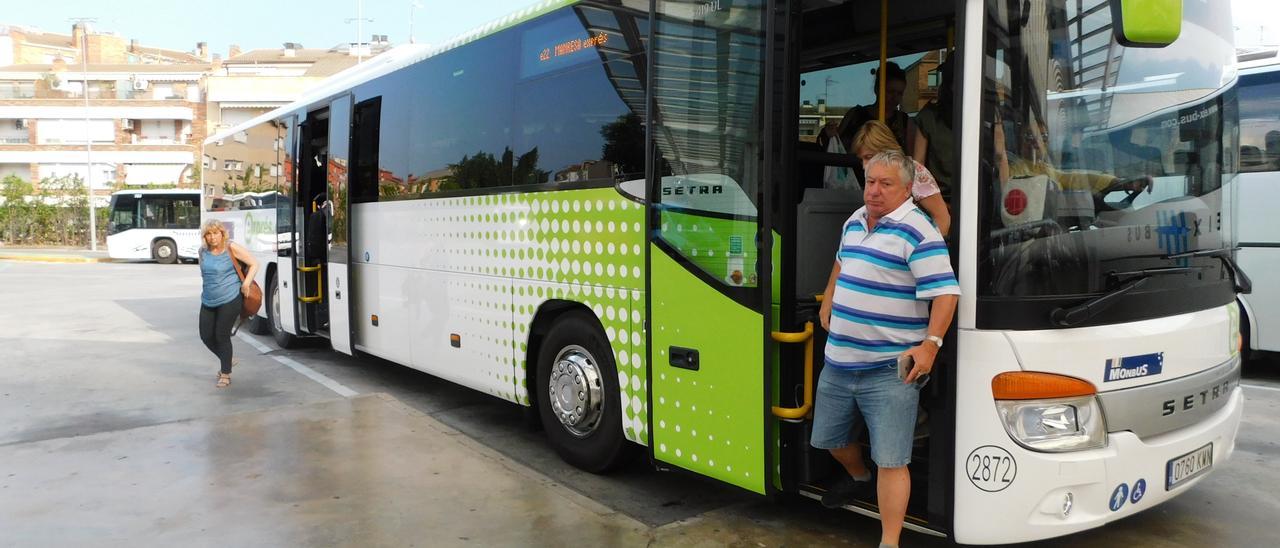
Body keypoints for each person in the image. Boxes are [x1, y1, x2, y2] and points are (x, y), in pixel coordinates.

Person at [813, 150, 960, 548]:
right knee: (828, 439)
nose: (874, 191)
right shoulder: (855, 220)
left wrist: (930, 346)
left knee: (893, 460)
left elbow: (946, 294)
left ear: (908, 189)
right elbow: (842, 262)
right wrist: (828, 297)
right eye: (870, 181)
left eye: (885, 184)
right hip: (838, 362)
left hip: (888, 369)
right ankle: (858, 477)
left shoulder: (918, 231)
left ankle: (889, 542)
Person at [854, 120, 951, 236]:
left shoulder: (913, 170)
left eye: (869, 157)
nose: (864, 165)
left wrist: (928, 250)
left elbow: (942, 217)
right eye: (862, 159)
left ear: (885, 149)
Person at [199, 219, 259, 388]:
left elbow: (254, 263)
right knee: (205, 335)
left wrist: (246, 283)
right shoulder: (202, 252)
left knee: (221, 335)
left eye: (215, 233)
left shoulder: (231, 248)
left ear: (222, 233)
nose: (212, 237)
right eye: (208, 234)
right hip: (208, 298)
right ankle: (227, 359)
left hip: (230, 297)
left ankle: (225, 373)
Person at [838, 61, 913, 156]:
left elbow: (910, 157)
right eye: (890, 91)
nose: (895, 97)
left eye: (900, 93)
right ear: (877, 89)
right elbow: (838, 147)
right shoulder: (856, 115)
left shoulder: (903, 121)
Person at [912, 58, 955, 203]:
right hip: (941, 202)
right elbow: (918, 167)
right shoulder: (928, 117)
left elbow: (918, 165)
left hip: (941, 201)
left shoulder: (927, 116)